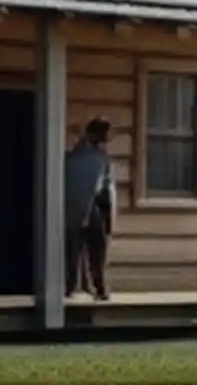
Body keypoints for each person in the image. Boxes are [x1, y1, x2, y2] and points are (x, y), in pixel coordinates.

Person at [64, 117, 115, 300]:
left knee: (75, 249)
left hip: (75, 207)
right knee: (96, 251)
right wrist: (108, 218)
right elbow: (105, 190)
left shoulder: (72, 157)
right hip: (90, 207)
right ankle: (97, 287)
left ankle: (71, 286)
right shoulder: (100, 159)